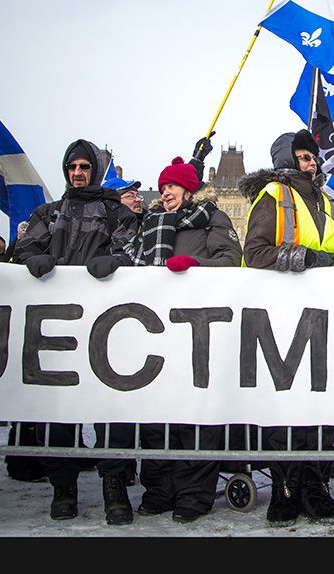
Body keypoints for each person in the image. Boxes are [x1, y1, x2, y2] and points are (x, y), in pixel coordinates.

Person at [237, 129, 334, 526]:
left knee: (322, 407)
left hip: (323, 315)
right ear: (287, 161)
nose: (314, 162)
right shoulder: (275, 195)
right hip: (278, 316)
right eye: (305, 157)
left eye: (314, 157)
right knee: (284, 409)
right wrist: (309, 258)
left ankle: (314, 485)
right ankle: (284, 489)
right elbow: (255, 252)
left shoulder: (327, 201)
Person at [12, 138, 140, 525]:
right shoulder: (47, 213)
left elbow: (134, 250)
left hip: (107, 327)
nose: (78, 173)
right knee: (57, 413)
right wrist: (32, 256)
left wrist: (117, 261)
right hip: (58, 326)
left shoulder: (118, 213)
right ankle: (63, 487)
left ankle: (114, 488)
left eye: (85, 166)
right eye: (73, 167)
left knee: (110, 413)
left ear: (95, 171)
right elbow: (23, 246)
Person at [120, 154, 242, 523]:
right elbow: (132, 259)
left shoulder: (212, 218)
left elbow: (230, 258)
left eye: (173, 186)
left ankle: (193, 493)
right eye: (164, 186)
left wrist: (195, 267)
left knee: (194, 418)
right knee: (157, 418)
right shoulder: (152, 221)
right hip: (156, 330)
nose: (167, 192)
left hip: (199, 328)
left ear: (189, 191)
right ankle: (159, 489)